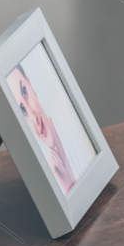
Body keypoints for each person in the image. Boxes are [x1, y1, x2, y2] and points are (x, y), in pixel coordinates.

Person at [10, 63, 78, 193]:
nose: (33, 116)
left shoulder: (71, 131)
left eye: (24, 91)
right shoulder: (52, 174)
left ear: (30, 84)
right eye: (23, 110)